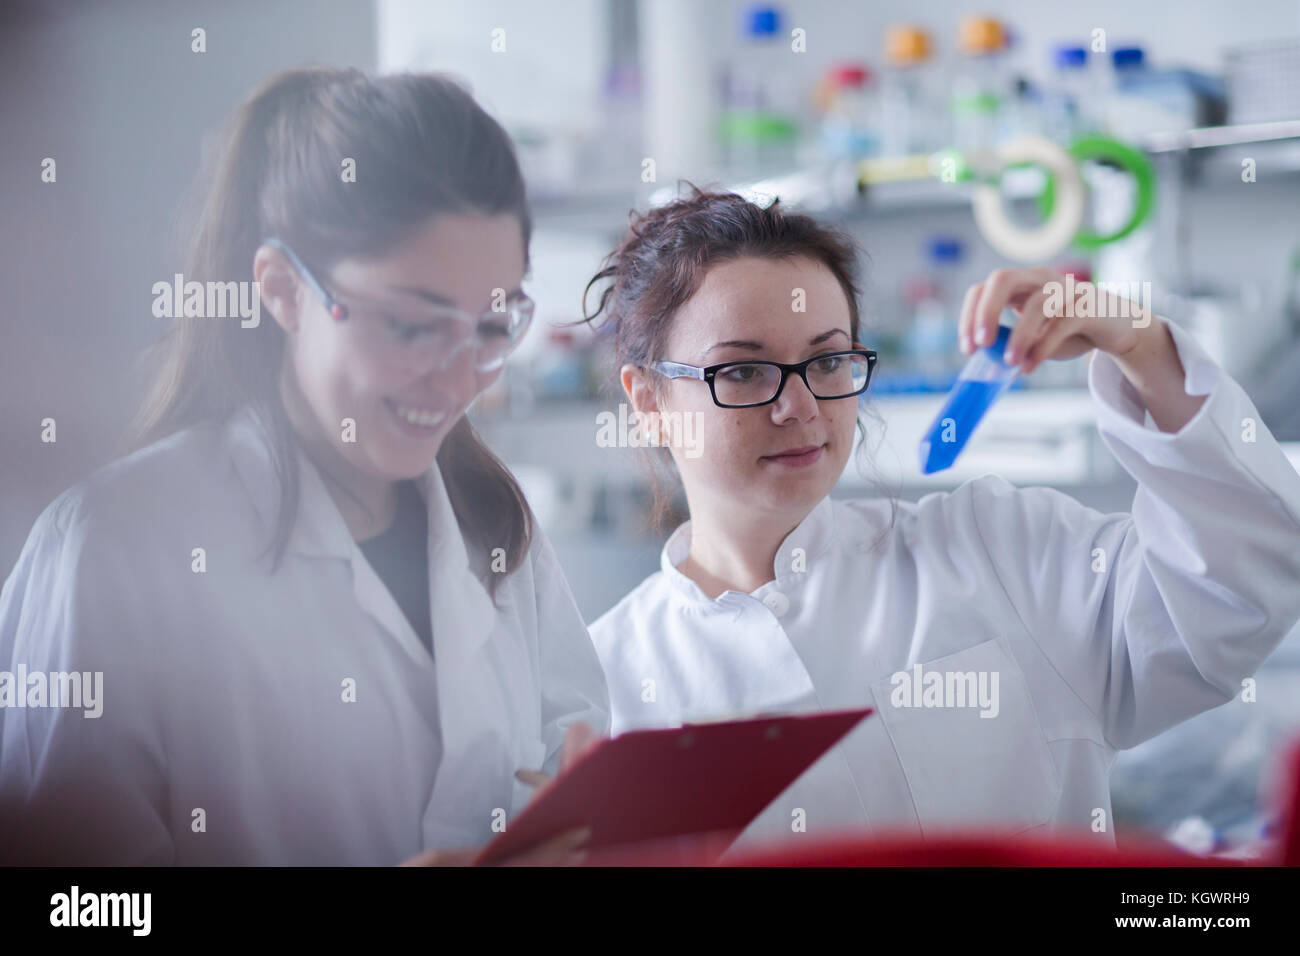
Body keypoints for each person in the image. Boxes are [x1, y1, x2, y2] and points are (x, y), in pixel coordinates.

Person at [0, 68, 607, 865]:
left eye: (493, 326)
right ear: (284, 291)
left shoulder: (496, 531)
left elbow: (577, 770)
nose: (458, 379)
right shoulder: (112, 548)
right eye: (410, 325)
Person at [582, 186, 1300, 851]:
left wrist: (1139, 345)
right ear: (648, 402)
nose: (799, 405)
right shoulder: (601, 686)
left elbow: (1239, 591)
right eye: (742, 371)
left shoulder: (994, 549)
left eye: (828, 362)